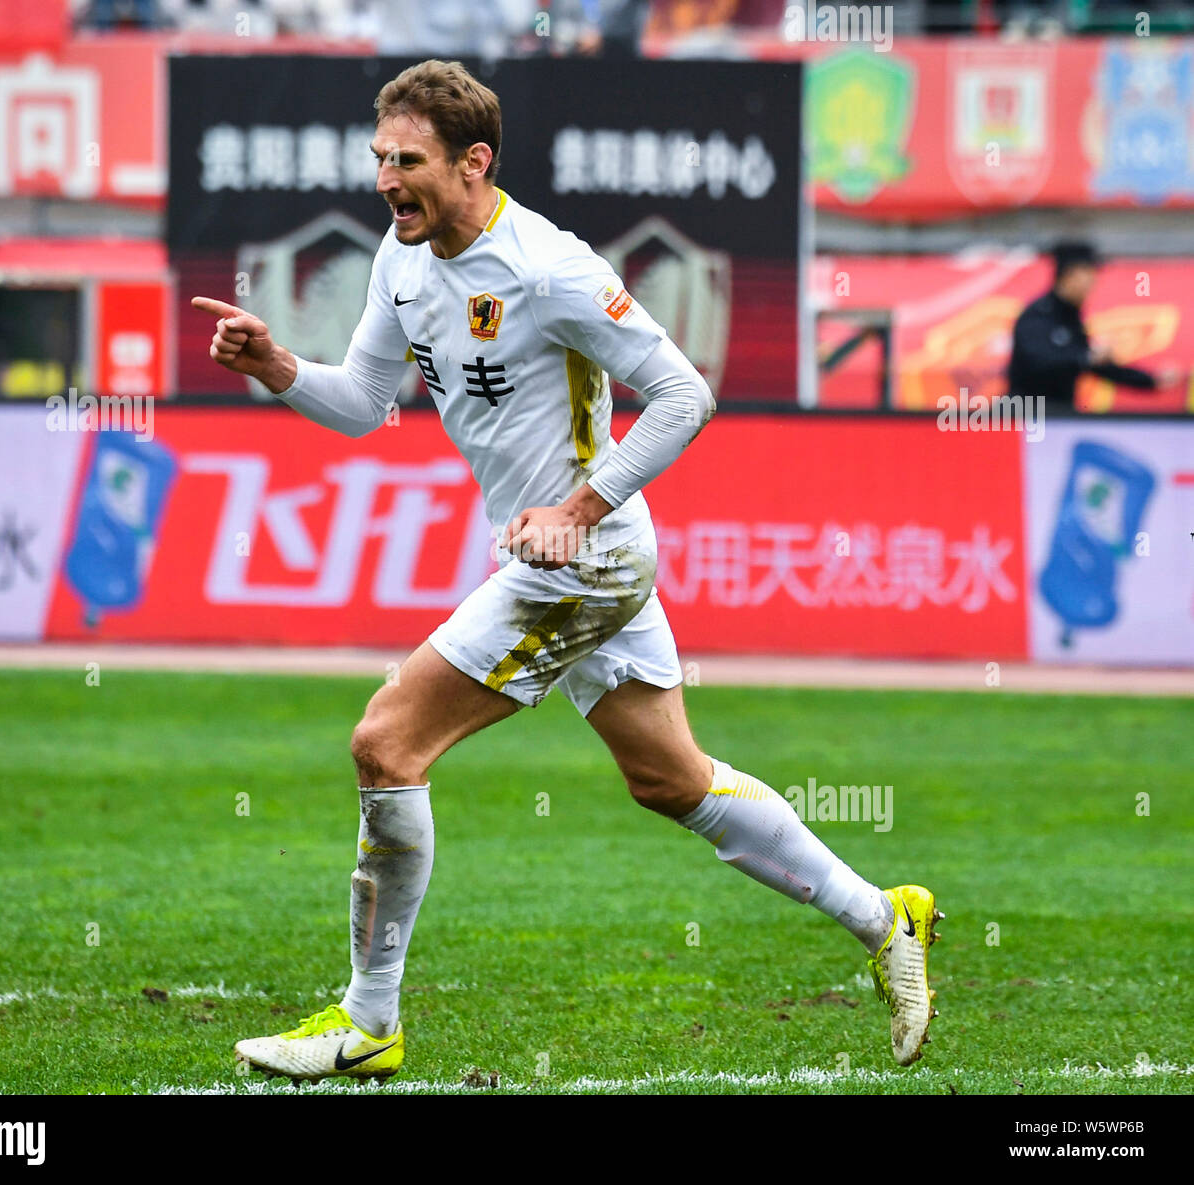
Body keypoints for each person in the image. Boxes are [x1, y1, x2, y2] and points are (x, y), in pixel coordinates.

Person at [192, 59, 941, 1082]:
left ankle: (368, 1023)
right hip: (554, 555)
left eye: (405, 161)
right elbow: (366, 404)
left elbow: (683, 394)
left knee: (385, 743)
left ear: (473, 162)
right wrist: (277, 368)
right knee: (669, 779)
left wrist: (579, 507)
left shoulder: (549, 268)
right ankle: (884, 916)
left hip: (583, 558)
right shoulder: (401, 258)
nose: (385, 180)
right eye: (378, 159)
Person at [1006, 240, 1181, 411]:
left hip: (1059, 417)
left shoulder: (1071, 317)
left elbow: (1098, 366)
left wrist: (1151, 380)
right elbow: (1041, 362)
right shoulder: (1037, 316)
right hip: (1027, 418)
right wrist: (1086, 357)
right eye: (1089, 272)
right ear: (1069, 275)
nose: (1094, 281)